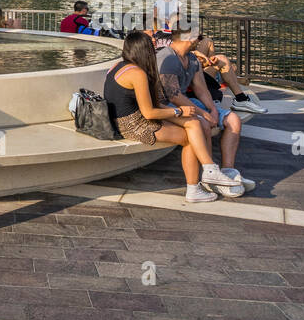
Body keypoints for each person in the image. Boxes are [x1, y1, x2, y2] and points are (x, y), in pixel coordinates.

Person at [103, 32, 240, 204]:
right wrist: (178, 112)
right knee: (189, 138)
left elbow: (151, 104)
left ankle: (209, 170)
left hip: (131, 116)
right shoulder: (137, 73)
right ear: (145, 50)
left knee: (193, 123)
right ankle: (195, 187)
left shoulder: (121, 65)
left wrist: (184, 111)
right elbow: (149, 113)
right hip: (131, 124)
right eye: (152, 47)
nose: (155, 50)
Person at [156, 27, 254, 198]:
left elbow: (201, 89)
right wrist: (203, 112)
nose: (200, 41)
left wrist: (213, 109)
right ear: (189, 38)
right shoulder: (168, 58)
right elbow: (174, 95)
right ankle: (210, 176)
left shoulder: (192, 59)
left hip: (187, 100)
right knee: (202, 123)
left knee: (233, 120)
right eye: (198, 37)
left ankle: (228, 171)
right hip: (169, 104)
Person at [195, 33, 266, 113]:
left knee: (209, 42)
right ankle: (240, 98)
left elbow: (193, 61)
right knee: (224, 61)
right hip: (193, 80)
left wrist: (208, 60)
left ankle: (239, 97)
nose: (196, 42)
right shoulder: (181, 50)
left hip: (196, 72)